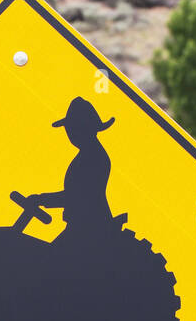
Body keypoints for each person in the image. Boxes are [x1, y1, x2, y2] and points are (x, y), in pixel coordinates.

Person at [24, 97, 123, 237]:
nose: (69, 134)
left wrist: (41, 199)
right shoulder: (89, 154)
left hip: (89, 229)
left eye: (72, 128)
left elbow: (78, 196)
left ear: (84, 129)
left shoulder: (93, 158)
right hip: (82, 224)